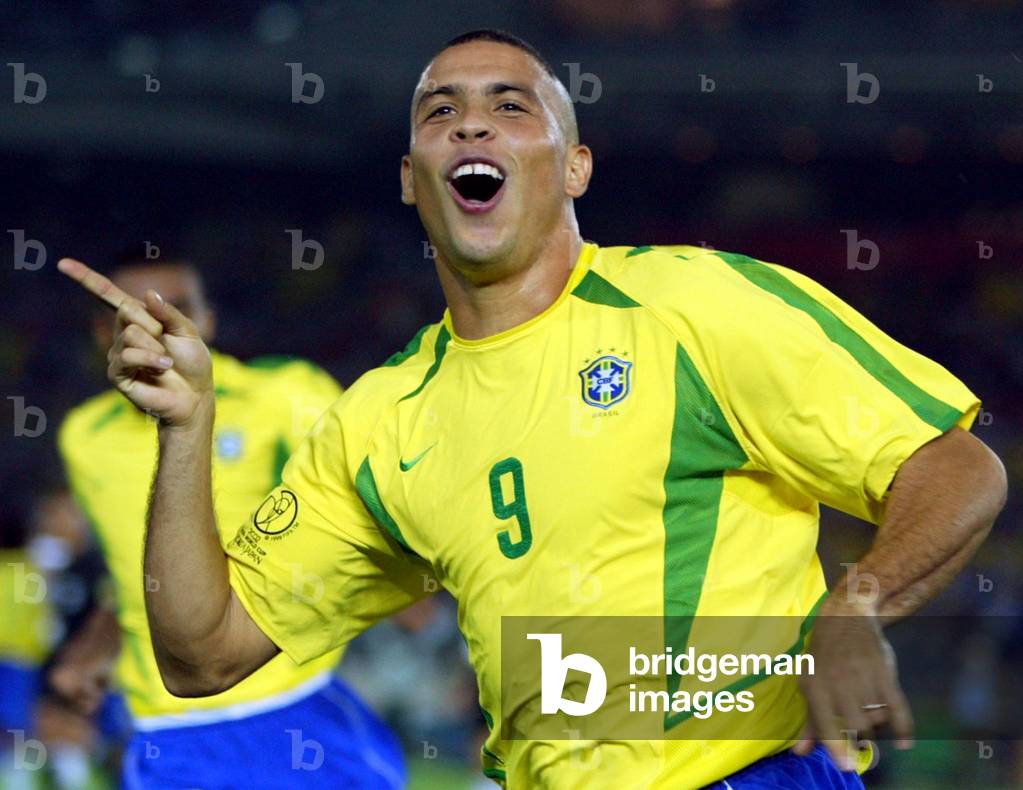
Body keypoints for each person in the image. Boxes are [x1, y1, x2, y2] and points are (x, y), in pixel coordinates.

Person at [59, 30, 1008, 790]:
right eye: (442, 111)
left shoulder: (696, 305)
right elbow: (202, 653)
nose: (472, 126)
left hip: (753, 772)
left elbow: (956, 465)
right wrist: (184, 433)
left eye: (509, 107)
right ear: (407, 176)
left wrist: (857, 604)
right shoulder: (380, 419)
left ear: (575, 167)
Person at [53, 254, 406, 789]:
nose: (157, 327)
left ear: (207, 321)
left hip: (294, 704)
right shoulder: (85, 438)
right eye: (131, 317)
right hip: (166, 728)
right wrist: (97, 646)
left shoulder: (284, 395)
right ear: (104, 332)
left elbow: (378, 492)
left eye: (177, 310)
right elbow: (132, 570)